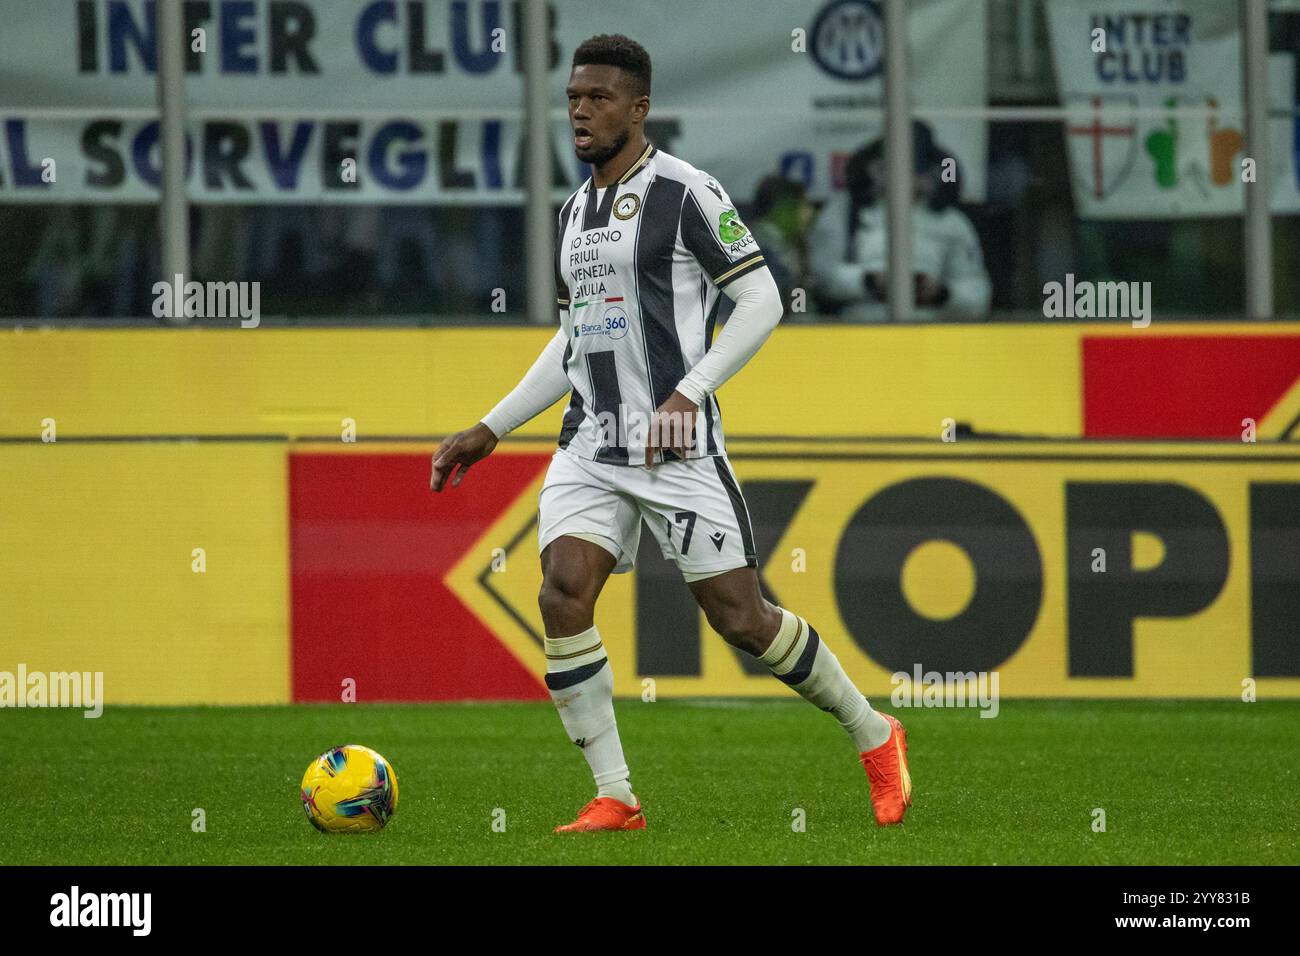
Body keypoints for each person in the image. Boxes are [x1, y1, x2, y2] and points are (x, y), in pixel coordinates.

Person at [429, 34, 911, 832]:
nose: (580, 112)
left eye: (599, 98)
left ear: (639, 108)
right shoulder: (574, 209)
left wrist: (690, 392)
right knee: (561, 593)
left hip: (675, 447)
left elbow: (761, 300)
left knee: (742, 620)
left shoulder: (686, 192)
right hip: (590, 442)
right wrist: (492, 425)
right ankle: (616, 794)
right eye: (574, 98)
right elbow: (575, 338)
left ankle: (874, 734)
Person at [812, 121, 991, 321]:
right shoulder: (845, 212)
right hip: (858, 331)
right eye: (890, 167)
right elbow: (819, 275)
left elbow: (978, 297)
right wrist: (869, 282)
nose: (904, 177)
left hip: (929, 334)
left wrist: (941, 294)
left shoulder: (952, 223)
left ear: (931, 174)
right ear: (875, 169)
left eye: (915, 171)